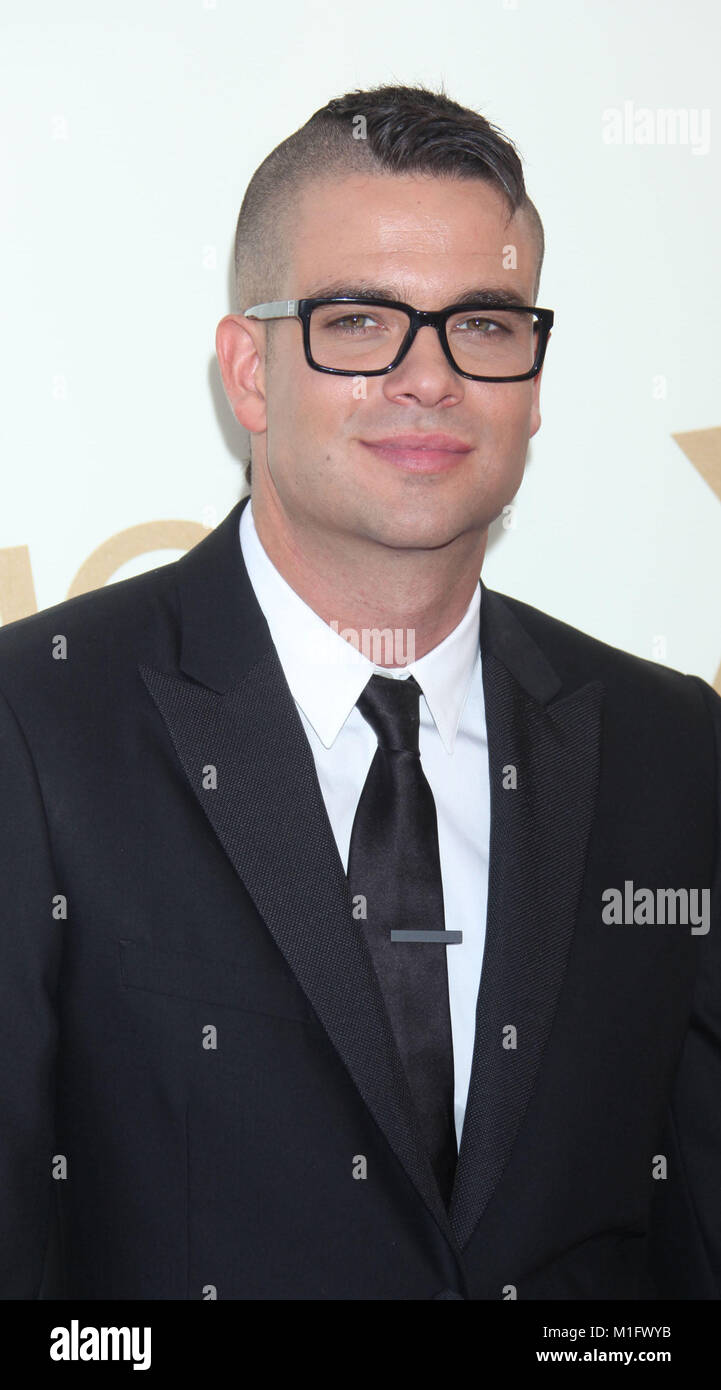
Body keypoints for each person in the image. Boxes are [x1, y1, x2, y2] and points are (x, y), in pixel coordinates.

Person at [0, 84, 719, 1302]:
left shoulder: (673, 748)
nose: (427, 377)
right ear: (252, 370)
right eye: (360, 321)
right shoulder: (37, 726)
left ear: (533, 384)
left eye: (481, 325)